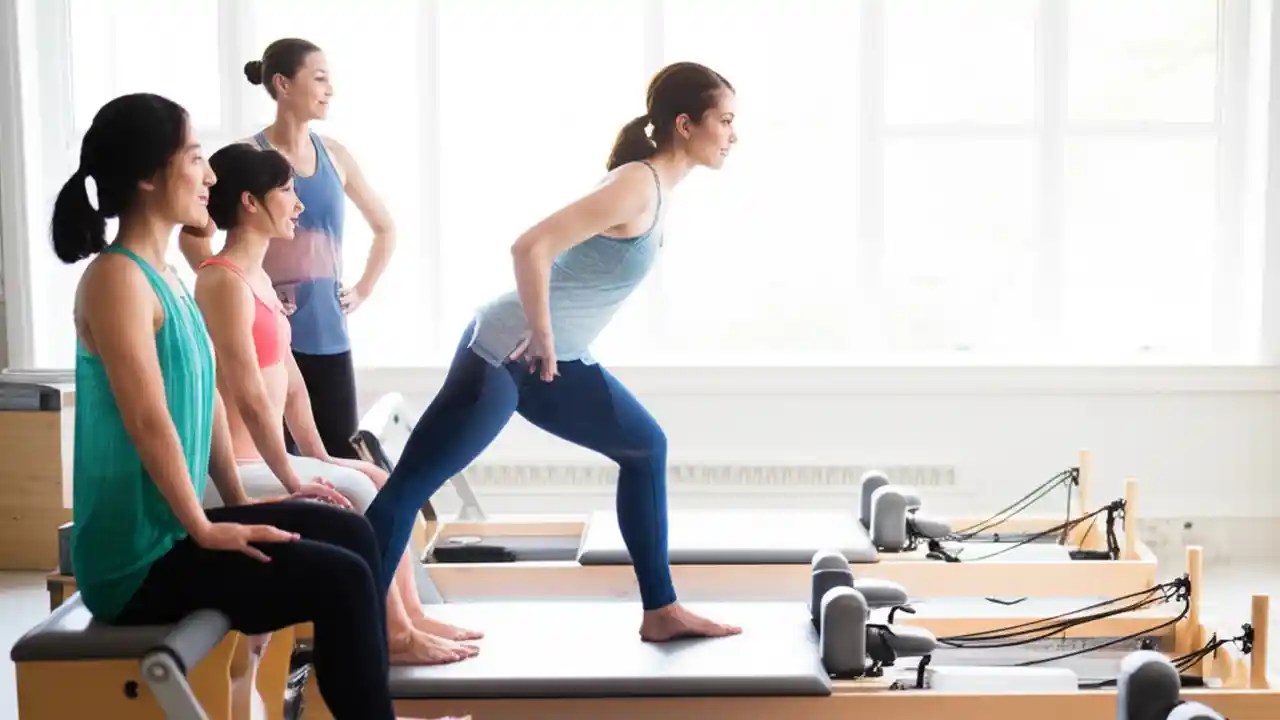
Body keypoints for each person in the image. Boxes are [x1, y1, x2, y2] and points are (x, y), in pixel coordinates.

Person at [52, 92, 443, 720]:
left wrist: (238, 501)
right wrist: (207, 528)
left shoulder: (170, 279)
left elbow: (202, 403)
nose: (210, 176)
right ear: (150, 175)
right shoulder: (115, 279)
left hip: (178, 536)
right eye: (196, 157)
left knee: (349, 530)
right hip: (137, 561)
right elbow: (149, 421)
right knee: (339, 579)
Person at [363, 62, 743, 642]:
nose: (733, 135)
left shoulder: (657, 190)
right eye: (726, 120)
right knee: (410, 487)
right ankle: (375, 632)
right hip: (504, 353)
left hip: (552, 358)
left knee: (645, 448)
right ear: (686, 125)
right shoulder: (636, 184)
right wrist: (542, 333)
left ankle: (660, 610)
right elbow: (530, 246)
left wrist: (550, 342)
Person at [193, 142, 480, 665]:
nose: (298, 205)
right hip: (234, 467)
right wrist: (290, 477)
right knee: (352, 492)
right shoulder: (220, 280)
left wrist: (319, 455)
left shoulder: (256, 276)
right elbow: (250, 394)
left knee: (375, 479)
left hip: (266, 458)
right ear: (251, 203)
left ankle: (408, 617)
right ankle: (391, 631)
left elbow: (291, 381)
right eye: (287, 191)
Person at [180, 37, 394, 459]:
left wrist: (362, 289)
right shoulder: (249, 161)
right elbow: (193, 233)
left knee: (342, 457)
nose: (329, 89)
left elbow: (385, 228)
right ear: (282, 84)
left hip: (330, 335)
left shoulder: (335, 156)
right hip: (271, 338)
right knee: (281, 457)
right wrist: (242, 287)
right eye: (319, 79)